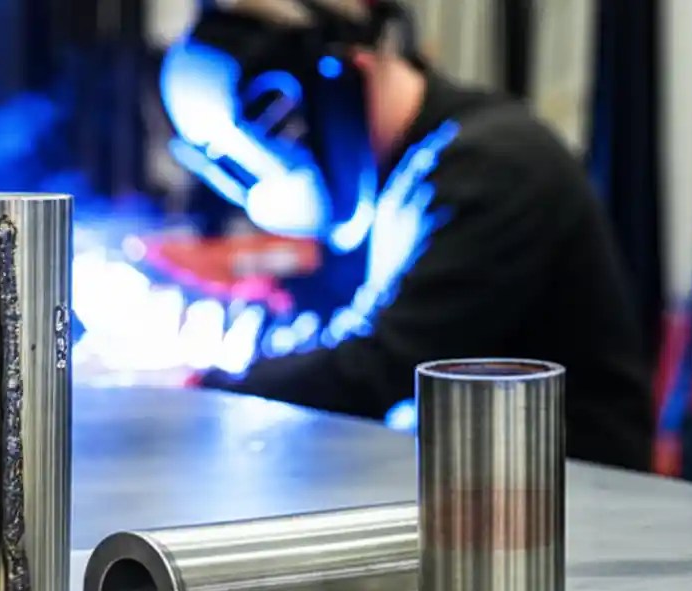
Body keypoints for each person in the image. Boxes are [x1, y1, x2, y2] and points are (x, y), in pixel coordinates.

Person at [162, 0, 653, 471]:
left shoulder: (495, 165)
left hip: (570, 502)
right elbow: (349, 327)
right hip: (482, 486)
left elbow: (382, 366)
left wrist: (202, 387)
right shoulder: (407, 178)